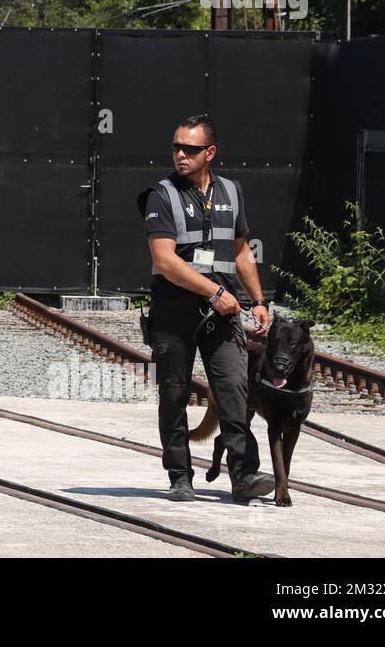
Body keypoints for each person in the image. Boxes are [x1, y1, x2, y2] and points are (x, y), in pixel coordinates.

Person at [137, 114, 275, 503]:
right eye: (176, 147)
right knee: (174, 393)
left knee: (233, 387)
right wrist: (214, 292)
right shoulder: (160, 195)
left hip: (224, 312)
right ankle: (180, 476)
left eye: (190, 148)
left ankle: (244, 474)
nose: (180, 154)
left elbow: (241, 251)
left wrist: (259, 301)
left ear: (209, 152)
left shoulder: (232, 191)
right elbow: (165, 260)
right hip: (175, 310)